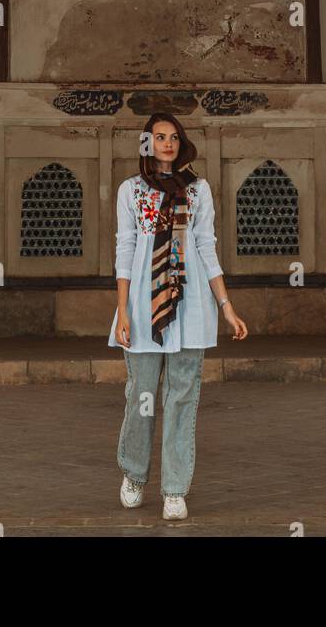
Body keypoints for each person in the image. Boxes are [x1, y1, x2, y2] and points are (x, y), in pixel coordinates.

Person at [109, 112, 248, 520]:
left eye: (173, 137)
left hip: (190, 306)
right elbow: (125, 251)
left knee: (183, 399)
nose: (167, 143)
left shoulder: (198, 190)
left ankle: (174, 489)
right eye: (159, 137)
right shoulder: (131, 191)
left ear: (181, 142)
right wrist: (122, 312)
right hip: (141, 305)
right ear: (146, 143)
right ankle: (134, 473)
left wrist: (226, 307)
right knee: (142, 396)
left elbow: (206, 247)